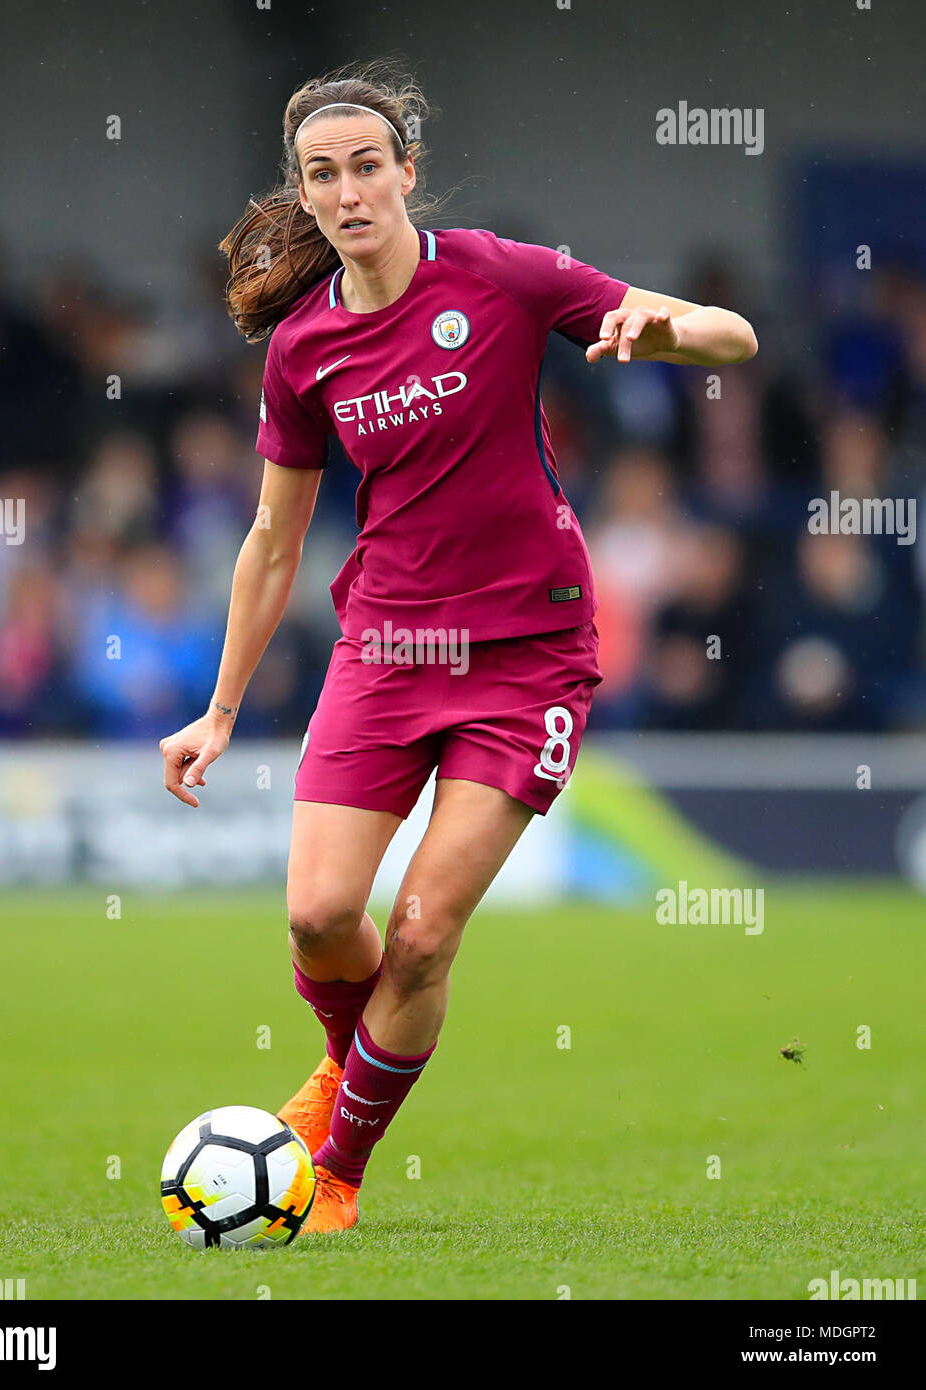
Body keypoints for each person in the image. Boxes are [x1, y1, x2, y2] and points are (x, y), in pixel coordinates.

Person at [158, 61, 758, 1233]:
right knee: (320, 918)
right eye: (323, 175)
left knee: (423, 933)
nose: (348, 191)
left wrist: (666, 329)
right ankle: (350, 1068)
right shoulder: (303, 350)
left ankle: (336, 1168)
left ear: (405, 175)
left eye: (367, 166)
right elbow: (272, 540)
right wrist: (219, 707)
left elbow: (731, 337)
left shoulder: (497, 273)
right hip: (383, 649)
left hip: (527, 650)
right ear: (307, 193)